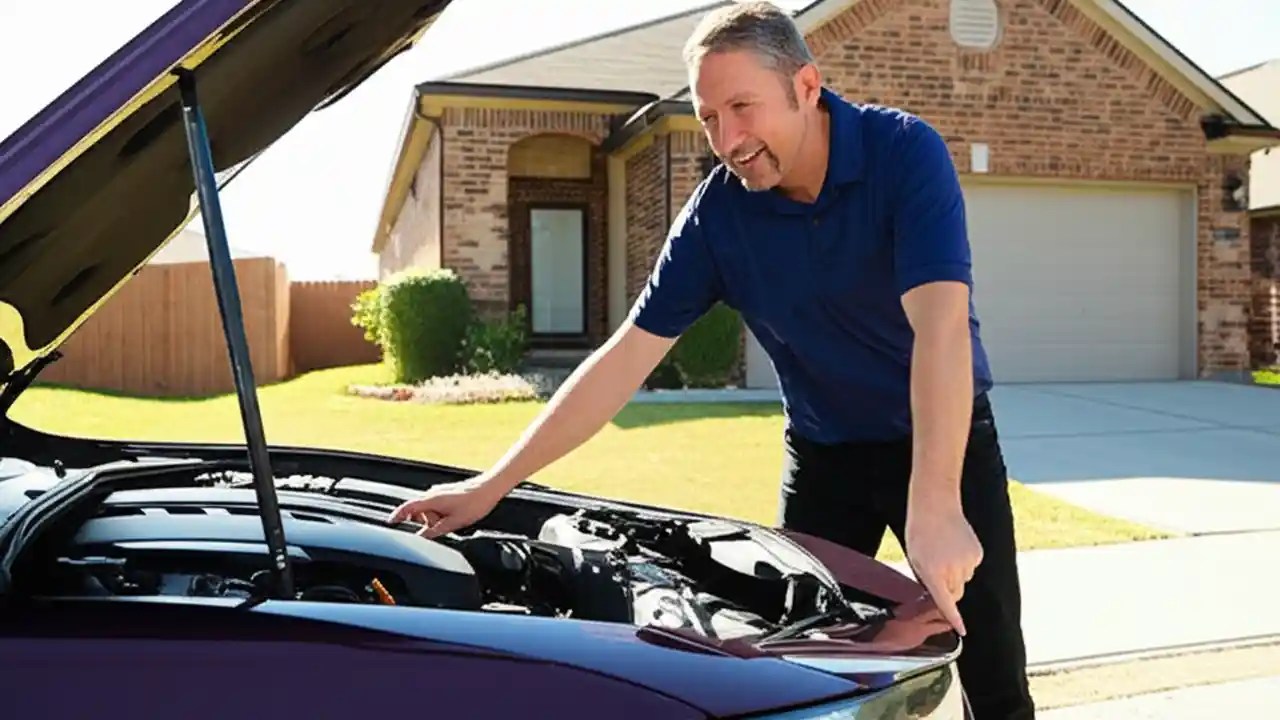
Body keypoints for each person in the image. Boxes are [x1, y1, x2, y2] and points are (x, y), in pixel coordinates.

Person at [388, 3, 1034, 717]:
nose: (727, 139)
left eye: (741, 108)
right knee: (803, 674)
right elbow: (622, 360)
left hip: (945, 439)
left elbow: (939, 327)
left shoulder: (903, 153)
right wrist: (493, 486)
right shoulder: (718, 217)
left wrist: (937, 500)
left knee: (994, 676)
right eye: (708, 118)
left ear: (807, 87)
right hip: (826, 459)